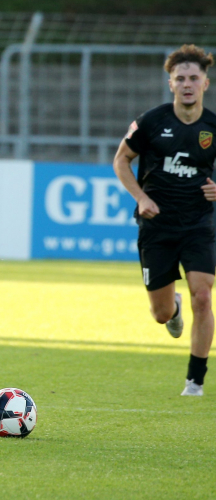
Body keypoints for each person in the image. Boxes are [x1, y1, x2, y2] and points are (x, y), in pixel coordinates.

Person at [113, 44, 216, 397]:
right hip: (156, 227)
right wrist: (141, 197)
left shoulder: (213, 127)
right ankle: (172, 310)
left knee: (203, 296)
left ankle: (195, 380)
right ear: (171, 84)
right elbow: (121, 160)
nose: (187, 83)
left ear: (205, 82)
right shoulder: (151, 122)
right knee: (159, 313)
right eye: (180, 78)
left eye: (194, 77)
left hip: (200, 225)